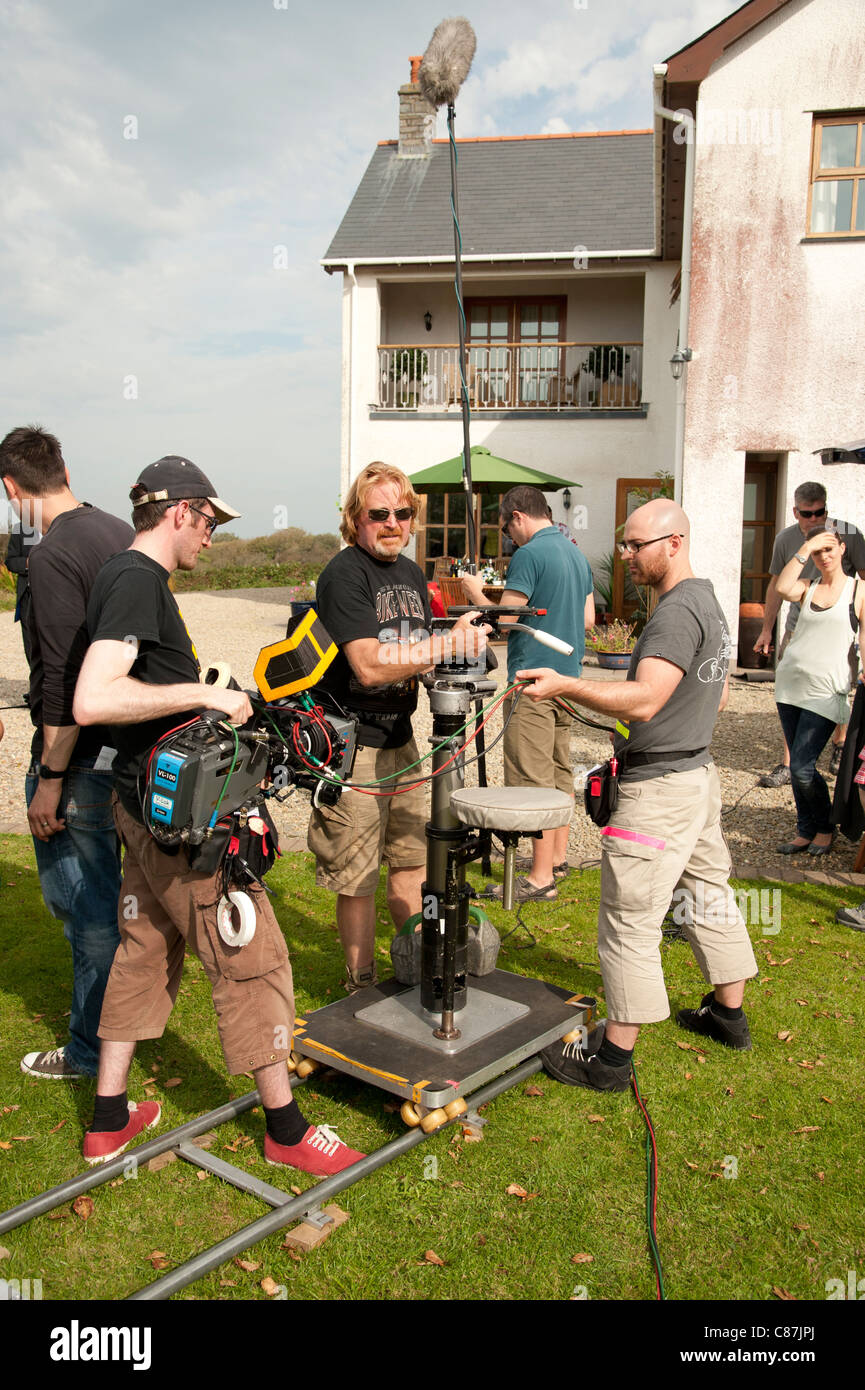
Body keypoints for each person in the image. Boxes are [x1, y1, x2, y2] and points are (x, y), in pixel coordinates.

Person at [72, 455, 365, 1173]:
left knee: (143, 947)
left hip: (139, 807)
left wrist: (203, 685)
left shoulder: (120, 573)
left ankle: (108, 1119)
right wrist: (202, 699)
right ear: (179, 512)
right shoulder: (139, 580)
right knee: (251, 958)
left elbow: (131, 685)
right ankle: (287, 1130)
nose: (212, 538)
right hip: (184, 826)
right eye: (208, 522)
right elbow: (93, 699)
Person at [518, 498, 758, 1092]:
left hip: (660, 791)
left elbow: (648, 698)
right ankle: (728, 1016)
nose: (625, 557)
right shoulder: (709, 603)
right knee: (707, 893)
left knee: (629, 919)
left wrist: (566, 683)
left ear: (673, 542)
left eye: (635, 546)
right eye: (624, 545)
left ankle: (610, 1062)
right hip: (697, 778)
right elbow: (714, 696)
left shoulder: (677, 613)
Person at [307, 462, 486, 993]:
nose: (392, 523)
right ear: (355, 519)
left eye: (402, 513)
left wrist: (450, 649)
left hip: (404, 738)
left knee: (411, 858)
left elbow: (414, 652)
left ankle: (412, 963)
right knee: (359, 874)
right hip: (353, 746)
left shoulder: (410, 575)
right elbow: (368, 663)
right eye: (378, 513)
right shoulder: (343, 575)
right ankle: (360, 985)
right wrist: (446, 645)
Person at [0, 425, 133, 1081]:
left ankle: (90, 1052)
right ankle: (127, 1025)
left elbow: (59, 680)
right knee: (114, 899)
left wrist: (48, 779)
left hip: (79, 761)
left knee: (86, 910)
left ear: (11, 489)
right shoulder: (115, 532)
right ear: (65, 469)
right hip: (125, 751)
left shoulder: (51, 555)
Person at [461, 484, 594, 901]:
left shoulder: (530, 554)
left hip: (532, 681)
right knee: (557, 773)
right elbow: (588, 620)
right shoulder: (575, 551)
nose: (508, 537)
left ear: (517, 516)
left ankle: (539, 879)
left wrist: (474, 593)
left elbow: (506, 618)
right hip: (568, 681)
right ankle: (555, 858)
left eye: (506, 529)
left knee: (530, 776)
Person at [754, 481, 865, 786]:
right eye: (808, 514)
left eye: (820, 513)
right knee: (793, 690)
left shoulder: (849, 533)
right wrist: (767, 629)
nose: (815, 519)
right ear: (795, 512)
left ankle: (839, 745)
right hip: (799, 624)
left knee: (836, 688)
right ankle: (789, 763)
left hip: (842, 628)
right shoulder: (786, 539)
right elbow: (777, 585)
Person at [772, 526, 865, 857]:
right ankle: (805, 829)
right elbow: (782, 586)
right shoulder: (807, 587)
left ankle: (825, 828)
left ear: (842, 549)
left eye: (829, 549)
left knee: (801, 765)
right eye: (817, 552)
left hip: (826, 692)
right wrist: (807, 544)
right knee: (800, 767)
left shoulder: (859, 591)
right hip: (789, 686)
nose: (823, 556)